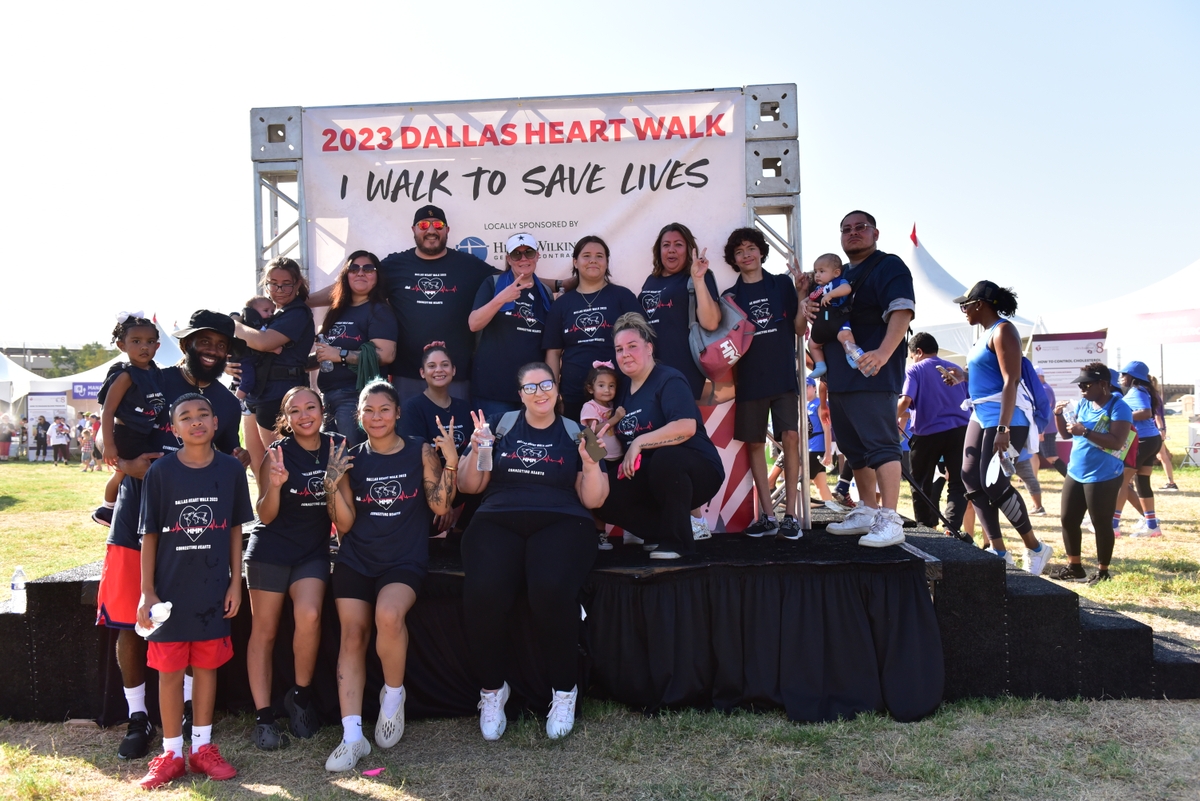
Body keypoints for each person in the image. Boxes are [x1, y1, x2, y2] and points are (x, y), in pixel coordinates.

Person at [95, 310, 249, 762]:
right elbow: (105, 433)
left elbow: (225, 455)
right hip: (136, 518)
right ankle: (137, 716)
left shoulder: (226, 403)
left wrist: (240, 456)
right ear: (185, 345)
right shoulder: (149, 376)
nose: (213, 351)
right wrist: (123, 465)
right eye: (204, 341)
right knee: (132, 618)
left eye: (221, 345)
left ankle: (182, 719)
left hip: (194, 531)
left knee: (192, 619)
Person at [457, 362, 609, 741]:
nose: (539, 392)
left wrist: (591, 465)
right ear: (520, 394)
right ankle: (493, 690)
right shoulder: (498, 426)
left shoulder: (579, 432)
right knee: (483, 592)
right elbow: (470, 486)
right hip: (498, 517)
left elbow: (595, 499)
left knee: (550, 588)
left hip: (563, 520)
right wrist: (478, 448)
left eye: (546, 384)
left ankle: (564, 690)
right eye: (530, 387)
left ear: (557, 388)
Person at [322, 381, 458, 772]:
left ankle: (393, 698)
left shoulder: (420, 450)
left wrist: (450, 462)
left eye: (384, 409)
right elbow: (345, 524)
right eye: (369, 410)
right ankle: (352, 737)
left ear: (397, 413)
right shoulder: (350, 458)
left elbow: (440, 506)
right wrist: (332, 484)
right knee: (352, 634)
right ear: (358, 416)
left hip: (403, 561)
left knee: (388, 615)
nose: (376, 417)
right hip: (357, 559)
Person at [134, 394, 253, 789]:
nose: (196, 421)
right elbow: (149, 534)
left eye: (203, 414)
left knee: (206, 669)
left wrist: (235, 581)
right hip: (168, 593)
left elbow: (235, 528)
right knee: (169, 672)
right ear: (174, 428)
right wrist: (147, 592)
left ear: (216, 422)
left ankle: (202, 749)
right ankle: (171, 754)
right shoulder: (161, 472)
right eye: (185, 417)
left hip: (213, 589)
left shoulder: (231, 470)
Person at [806, 212, 915, 548]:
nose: (853, 233)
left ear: (876, 233)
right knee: (854, 448)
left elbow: (902, 310)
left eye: (861, 227)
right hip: (840, 378)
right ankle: (867, 510)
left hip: (873, 373)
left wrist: (882, 353)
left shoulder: (888, 266)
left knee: (881, 445)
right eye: (846, 229)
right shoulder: (838, 274)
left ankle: (890, 518)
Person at [309, 206, 495, 402]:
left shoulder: (469, 265)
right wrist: (305, 301)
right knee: (407, 422)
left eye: (438, 225)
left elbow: (503, 281)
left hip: (453, 374)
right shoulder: (394, 265)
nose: (431, 230)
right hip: (407, 374)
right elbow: (350, 286)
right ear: (413, 230)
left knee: (456, 423)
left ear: (447, 230)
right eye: (424, 225)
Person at [245, 387, 343, 750]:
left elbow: (343, 509)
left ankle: (300, 697)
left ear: (322, 410)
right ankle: (264, 718)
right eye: (295, 410)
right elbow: (265, 514)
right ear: (285, 419)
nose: (304, 415)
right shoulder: (277, 452)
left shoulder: (338, 446)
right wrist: (274, 486)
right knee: (265, 631)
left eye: (310, 407)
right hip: (270, 550)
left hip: (311, 552)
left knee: (310, 614)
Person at [597, 313, 726, 559]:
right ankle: (657, 533)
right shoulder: (621, 389)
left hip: (696, 470)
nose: (625, 354)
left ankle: (678, 542)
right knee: (602, 494)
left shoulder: (669, 379)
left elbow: (686, 427)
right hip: (649, 475)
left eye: (632, 346)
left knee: (665, 459)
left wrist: (639, 442)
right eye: (619, 349)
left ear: (649, 348)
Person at [948, 281, 1053, 574]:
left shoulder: (1004, 330)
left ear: (980, 304)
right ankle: (999, 550)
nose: (963, 310)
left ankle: (1036, 548)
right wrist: (962, 376)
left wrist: (1004, 429)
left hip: (1007, 418)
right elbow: (988, 374)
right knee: (970, 478)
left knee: (993, 483)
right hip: (980, 414)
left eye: (965, 305)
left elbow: (1011, 380)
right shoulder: (983, 336)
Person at [721, 227, 807, 539]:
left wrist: (801, 295)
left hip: (783, 377)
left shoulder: (782, 284)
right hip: (749, 380)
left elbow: (799, 329)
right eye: (739, 251)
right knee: (755, 444)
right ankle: (768, 517)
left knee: (792, 438)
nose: (746, 255)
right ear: (733, 259)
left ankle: (791, 516)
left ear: (761, 251)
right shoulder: (729, 297)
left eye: (751, 248)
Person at [1048, 363, 1134, 584]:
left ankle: (1102, 572)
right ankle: (1074, 567)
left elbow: (1117, 442)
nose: (1081, 389)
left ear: (1103, 384)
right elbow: (1067, 435)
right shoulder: (1084, 404)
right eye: (1080, 385)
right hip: (1076, 471)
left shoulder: (1119, 407)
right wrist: (1058, 415)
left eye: (1086, 385)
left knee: (1100, 523)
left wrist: (1085, 431)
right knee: (1068, 519)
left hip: (1103, 475)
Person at [233, 256, 317, 476]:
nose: (279, 290)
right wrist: (230, 366)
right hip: (257, 392)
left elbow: (263, 342)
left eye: (286, 284)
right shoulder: (270, 313)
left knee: (278, 466)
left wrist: (231, 325)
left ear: (297, 284)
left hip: (279, 394)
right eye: (273, 283)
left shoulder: (297, 312)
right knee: (258, 466)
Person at [544, 235, 642, 421]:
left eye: (599, 256)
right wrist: (553, 394)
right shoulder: (561, 304)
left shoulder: (623, 297)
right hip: (574, 396)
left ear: (607, 262)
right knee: (579, 439)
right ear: (575, 262)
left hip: (619, 394)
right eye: (586, 255)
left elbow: (642, 343)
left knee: (615, 440)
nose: (593, 260)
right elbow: (553, 353)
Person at [311, 251, 397, 448]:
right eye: (354, 268)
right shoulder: (337, 309)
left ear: (377, 276)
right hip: (327, 398)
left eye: (368, 269)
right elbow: (326, 353)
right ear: (346, 275)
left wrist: (340, 355)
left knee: (350, 457)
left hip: (355, 397)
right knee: (333, 460)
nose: (360, 273)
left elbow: (386, 354)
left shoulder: (379, 310)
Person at [468, 232, 555, 417]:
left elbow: (550, 345)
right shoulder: (493, 284)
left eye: (529, 252)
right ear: (508, 259)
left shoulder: (545, 293)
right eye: (516, 254)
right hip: (493, 390)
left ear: (537, 256)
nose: (523, 258)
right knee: (493, 437)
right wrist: (501, 299)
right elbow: (474, 324)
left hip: (533, 390)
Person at [94, 315, 166, 525]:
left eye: (150, 342)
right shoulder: (126, 375)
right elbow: (108, 411)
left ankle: (108, 510)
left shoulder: (155, 372)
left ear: (157, 346)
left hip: (142, 434)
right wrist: (109, 445)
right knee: (149, 472)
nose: (144, 346)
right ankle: (113, 511)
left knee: (121, 475)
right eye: (136, 341)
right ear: (121, 345)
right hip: (126, 435)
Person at [636, 223, 721, 400]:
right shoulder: (651, 280)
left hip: (683, 371)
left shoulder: (698, 276)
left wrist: (698, 279)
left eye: (678, 244)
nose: (671, 250)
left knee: (681, 417)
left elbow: (711, 323)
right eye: (666, 245)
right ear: (659, 251)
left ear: (689, 249)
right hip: (650, 371)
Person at [398, 343, 475, 536]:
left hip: (461, 485)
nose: (439, 370)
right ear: (422, 373)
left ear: (453, 370)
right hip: (429, 490)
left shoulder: (465, 408)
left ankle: (458, 534)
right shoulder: (412, 409)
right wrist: (443, 501)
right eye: (432, 366)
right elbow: (414, 461)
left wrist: (456, 505)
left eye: (444, 365)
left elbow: (472, 456)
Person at [897, 332, 970, 533]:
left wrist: (888, 419)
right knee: (958, 482)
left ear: (918, 352)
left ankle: (926, 527)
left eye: (912, 355)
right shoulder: (956, 369)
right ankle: (952, 526)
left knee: (921, 483)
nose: (912, 359)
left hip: (928, 433)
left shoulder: (914, 369)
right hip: (960, 431)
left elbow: (906, 400)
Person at [1118, 361, 1165, 537]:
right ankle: (1152, 526)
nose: (1121, 377)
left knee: (1120, 481)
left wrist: (1121, 417)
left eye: (1124, 374)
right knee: (1142, 482)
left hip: (1143, 441)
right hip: (1151, 440)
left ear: (1133, 377)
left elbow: (1146, 412)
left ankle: (1113, 525)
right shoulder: (1142, 390)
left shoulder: (1137, 391)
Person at [805, 253, 860, 378]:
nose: (817, 275)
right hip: (823, 324)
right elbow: (810, 298)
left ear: (836, 273)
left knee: (845, 336)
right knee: (812, 345)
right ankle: (820, 365)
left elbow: (847, 288)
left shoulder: (838, 282)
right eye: (815, 271)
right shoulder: (819, 288)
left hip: (837, 319)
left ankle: (852, 356)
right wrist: (804, 302)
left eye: (821, 271)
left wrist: (831, 294)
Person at [804, 377, 843, 510]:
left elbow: (827, 429)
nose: (804, 389)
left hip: (817, 448)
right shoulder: (806, 405)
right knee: (820, 484)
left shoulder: (820, 404)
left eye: (807, 386)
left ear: (814, 388)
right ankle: (833, 509)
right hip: (810, 446)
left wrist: (828, 452)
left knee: (803, 481)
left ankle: (800, 506)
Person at [1034, 367, 1068, 478]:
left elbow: (1045, 410)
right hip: (1040, 429)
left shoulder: (1045, 389)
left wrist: (1041, 430)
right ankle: (1031, 480)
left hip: (1046, 430)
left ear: (1039, 376)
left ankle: (1071, 479)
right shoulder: (1041, 389)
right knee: (1032, 454)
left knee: (1051, 457)